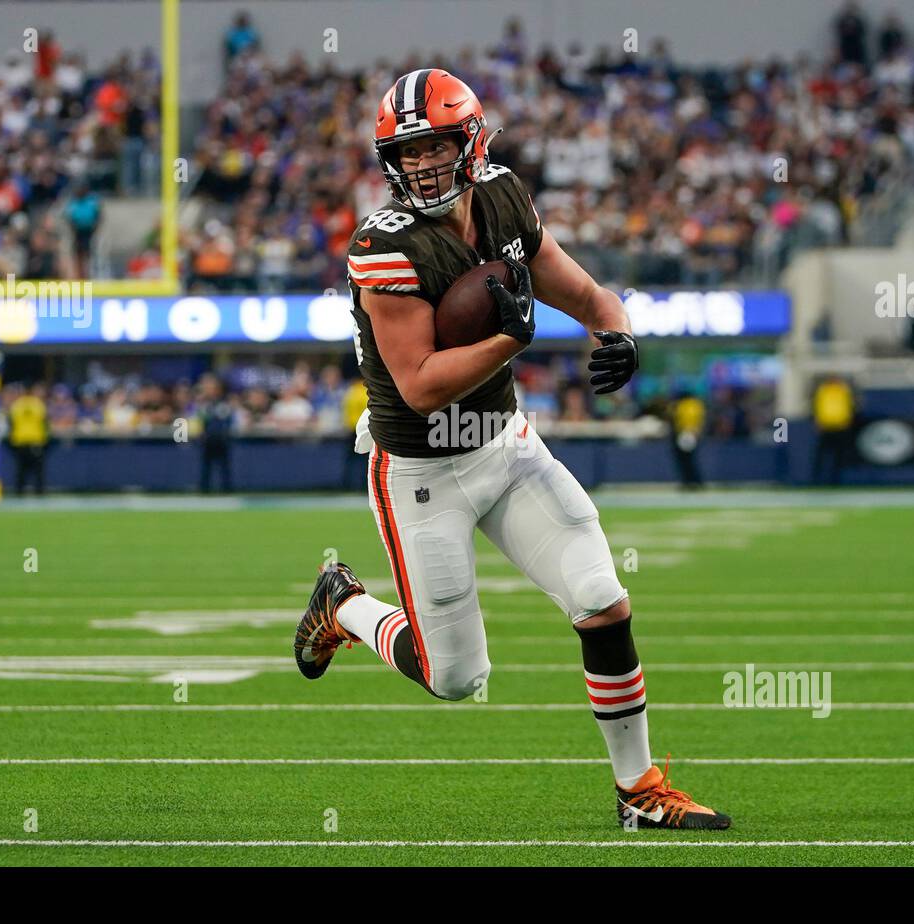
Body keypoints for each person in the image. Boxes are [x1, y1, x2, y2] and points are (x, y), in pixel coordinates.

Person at [292, 69, 729, 831]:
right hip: (422, 473)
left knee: (602, 599)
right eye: (409, 152)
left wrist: (618, 332)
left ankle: (639, 790)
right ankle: (347, 604)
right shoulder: (382, 248)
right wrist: (510, 337)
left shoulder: (500, 195)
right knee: (455, 677)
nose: (424, 165)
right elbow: (422, 385)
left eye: (436, 146)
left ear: (473, 140)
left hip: (505, 445)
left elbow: (590, 294)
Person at [811, 375, 856, 485]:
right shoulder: (823, 391)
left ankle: (836, 479)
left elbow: (849, 406)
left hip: (840, 426)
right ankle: (817, 479)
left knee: (839, 454)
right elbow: (817, 406)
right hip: (826, 426)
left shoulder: (843, 391)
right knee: (822, 454)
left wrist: (847, 419)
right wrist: (818, 421)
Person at [8, 382, 49, 495]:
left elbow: (11, 423)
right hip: (35, 441)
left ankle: (19, 492)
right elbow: (45, 422)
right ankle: (39, 492)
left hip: (20, 441)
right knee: (38, 471)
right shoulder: (38, 404)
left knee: (21, 470)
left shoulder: (16, 405)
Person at [197, 375, 234, 492]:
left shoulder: (224, 403)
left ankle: (226, 489)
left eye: (211, 387)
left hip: (221, 439)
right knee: (205, 467)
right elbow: (194, 418)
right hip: (206, 440)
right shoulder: (201, 403)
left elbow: (226, 420)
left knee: (224, 467)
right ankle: (204, 490)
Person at [670, 390, 705, 489]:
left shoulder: (682, 405)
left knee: (685, 461)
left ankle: (689, 481)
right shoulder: (697, 405)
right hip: (692, 434)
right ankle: (695, 481)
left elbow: (677, 419)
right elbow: (700, 420)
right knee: (690, 460)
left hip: (683, 434)